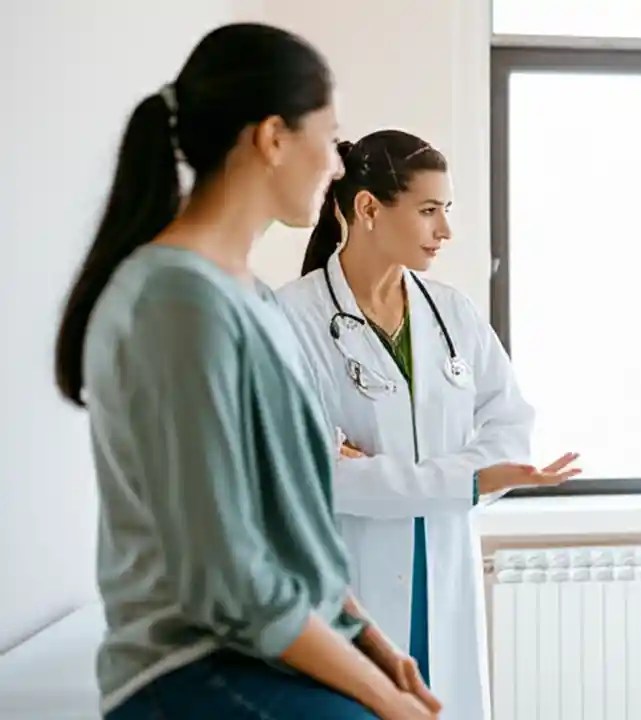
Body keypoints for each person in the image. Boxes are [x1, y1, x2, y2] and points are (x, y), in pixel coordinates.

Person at [53, 23, 441, 720]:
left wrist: (375, 645)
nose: (337, 163)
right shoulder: (175, 301)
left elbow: (290, 525)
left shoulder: (251, 298)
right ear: (272, 138)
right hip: (191, 669)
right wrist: (381, 697)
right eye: (330, 137)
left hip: (260, 651)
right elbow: (228, 573)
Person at [276, 129, 581, 719]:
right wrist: (467, 479)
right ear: (368, 209)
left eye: (447, 209)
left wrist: (402, 475)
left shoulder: (452, 312)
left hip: (444, 564)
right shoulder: (293, 317)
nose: (445, 230)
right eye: (428, 210)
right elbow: (316, 474)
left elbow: (509, 428)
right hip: (351, 574)